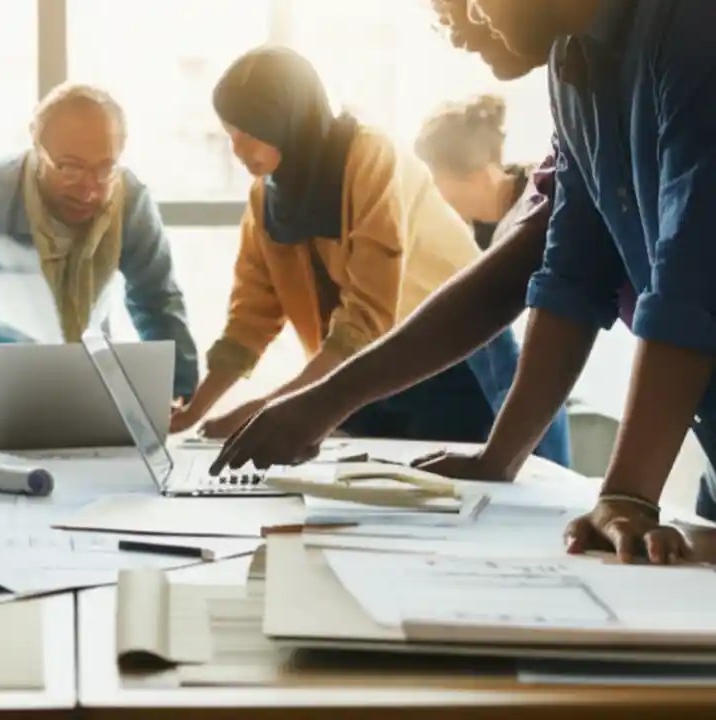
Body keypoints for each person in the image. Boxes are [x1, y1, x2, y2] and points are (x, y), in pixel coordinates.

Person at [413, 0, 715, 565]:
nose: (470, 14)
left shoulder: (693, 24)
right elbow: (571, 275)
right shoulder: (571, 66)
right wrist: (498, 459)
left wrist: (627, 494)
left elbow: (695, 270)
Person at [211, 1, 567, 478]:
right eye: (230, 134)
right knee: (391, 488)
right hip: (375, 366)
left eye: (251, 132)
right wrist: (193, 415)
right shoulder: (268, 198)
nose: (238, 149)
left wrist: (289, 402)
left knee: (502, 486)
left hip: (450, 352)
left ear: (284, 120)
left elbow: (367, 319)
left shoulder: (368, 155)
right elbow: (251, 318)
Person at [0, 83, 199, 418]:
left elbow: (157, 300)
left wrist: (176, 387)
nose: (89, 190)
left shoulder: (129, 198)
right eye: (70, 168)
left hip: (88, 387)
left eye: (104, 169)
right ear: (37, 147)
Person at [416, 94, 532, 250]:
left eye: (434, 184)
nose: (432, 198)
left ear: (475, 177)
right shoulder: (476, 233)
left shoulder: (542, 201)